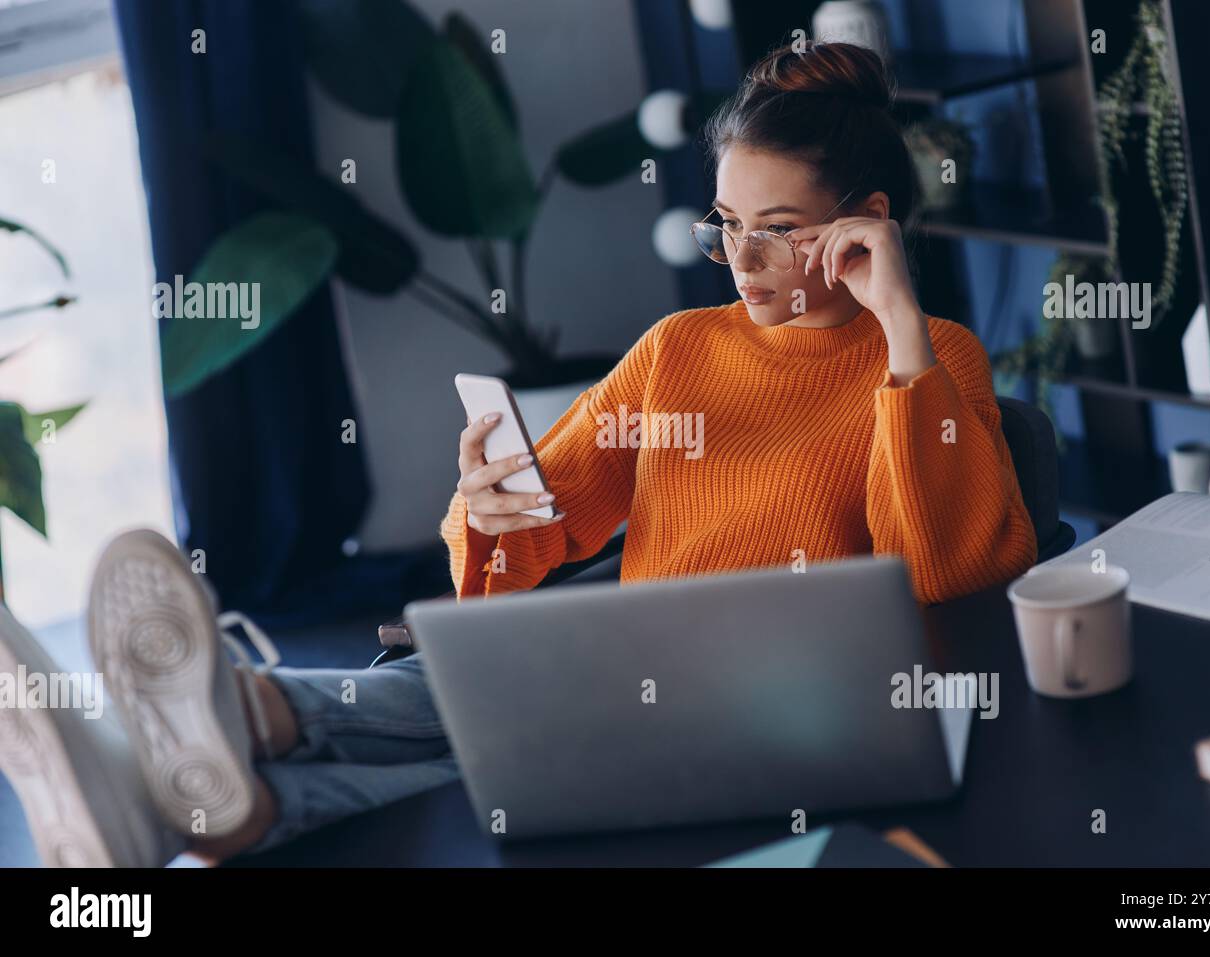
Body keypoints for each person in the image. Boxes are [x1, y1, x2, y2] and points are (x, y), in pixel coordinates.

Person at [0, 42, 1035, 867]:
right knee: (469, 692)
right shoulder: (683, 348)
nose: (743, 262)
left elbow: (954, 578)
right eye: (725, 225)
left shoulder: (934, 358)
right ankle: (222, 778)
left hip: (797, 719)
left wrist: (897, 328)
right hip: (634, 675)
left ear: (867, 225)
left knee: (498, 752)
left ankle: (157, 766)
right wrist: (488, 505)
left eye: (778, 229)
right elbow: (537, 530)